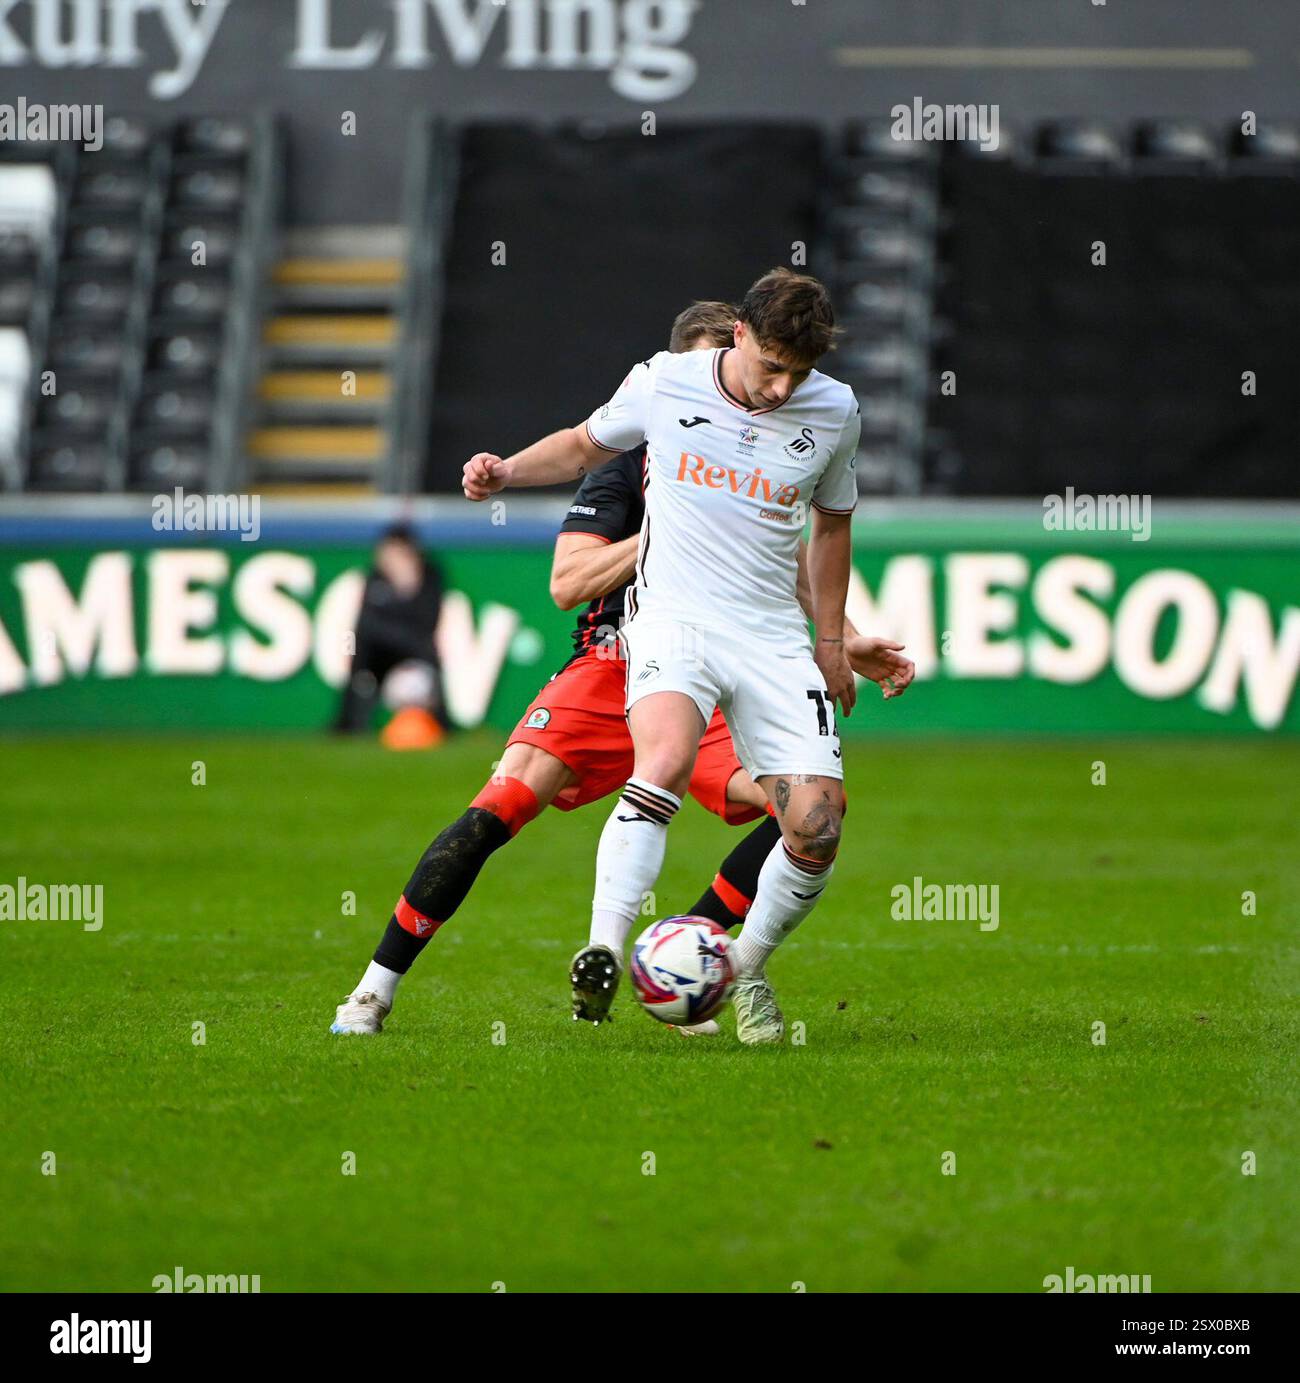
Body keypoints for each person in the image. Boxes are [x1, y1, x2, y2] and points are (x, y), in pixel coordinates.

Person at [332, 297, 912, 1037]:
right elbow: (567, 582)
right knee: (503, 806)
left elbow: (797, 549)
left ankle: (702, 960)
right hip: (616, 658)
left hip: (746, 652)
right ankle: (377, 988)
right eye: (749, 370)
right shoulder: (631, 455)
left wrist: (841, 639)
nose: (765, 397)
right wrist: (639, 527)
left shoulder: (815, 418)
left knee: (810, 811)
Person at [462, 269, 865, 1044]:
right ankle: (606, 947)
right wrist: (507, 470)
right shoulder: (666, 381)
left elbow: (833, 526)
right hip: (673, 618)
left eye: (798, 373)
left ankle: (738, 964)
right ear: (740, 333)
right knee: (667, 758)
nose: (782, 387)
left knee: (816, 825)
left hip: (771, 633)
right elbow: (584, 445)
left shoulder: (837, 410)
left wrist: (832, 642)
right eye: (771, 364)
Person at [334, 524, 446, 736]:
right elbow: (367, 623)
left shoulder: (429, 575)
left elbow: (428, 622)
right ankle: (349, 724)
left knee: (426, 653)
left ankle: (439, 722)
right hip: (380, 656)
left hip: (416, 653)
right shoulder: (376, 577)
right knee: (362, 650)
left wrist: (406, 588)